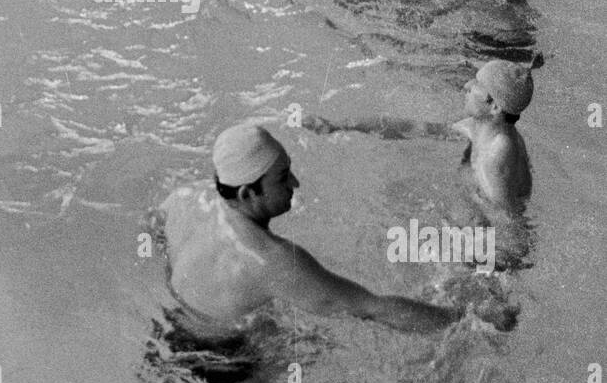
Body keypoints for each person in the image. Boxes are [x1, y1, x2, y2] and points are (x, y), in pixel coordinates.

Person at [159, 123, 500, 353]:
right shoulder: (272, 260)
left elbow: (155, 227)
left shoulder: (183, 198)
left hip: (170, 322)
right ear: (248, 192)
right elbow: (371, 308)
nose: (295, 183)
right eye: (282, 178)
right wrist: (470, 319)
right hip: (223, 356)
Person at [306, 59, 537, 219]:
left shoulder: (496, 158)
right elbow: (413, 128)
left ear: (495, 106)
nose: (467, 85)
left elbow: (512, 223)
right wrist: (340, 125)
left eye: (477, 84)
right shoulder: (481, 128)